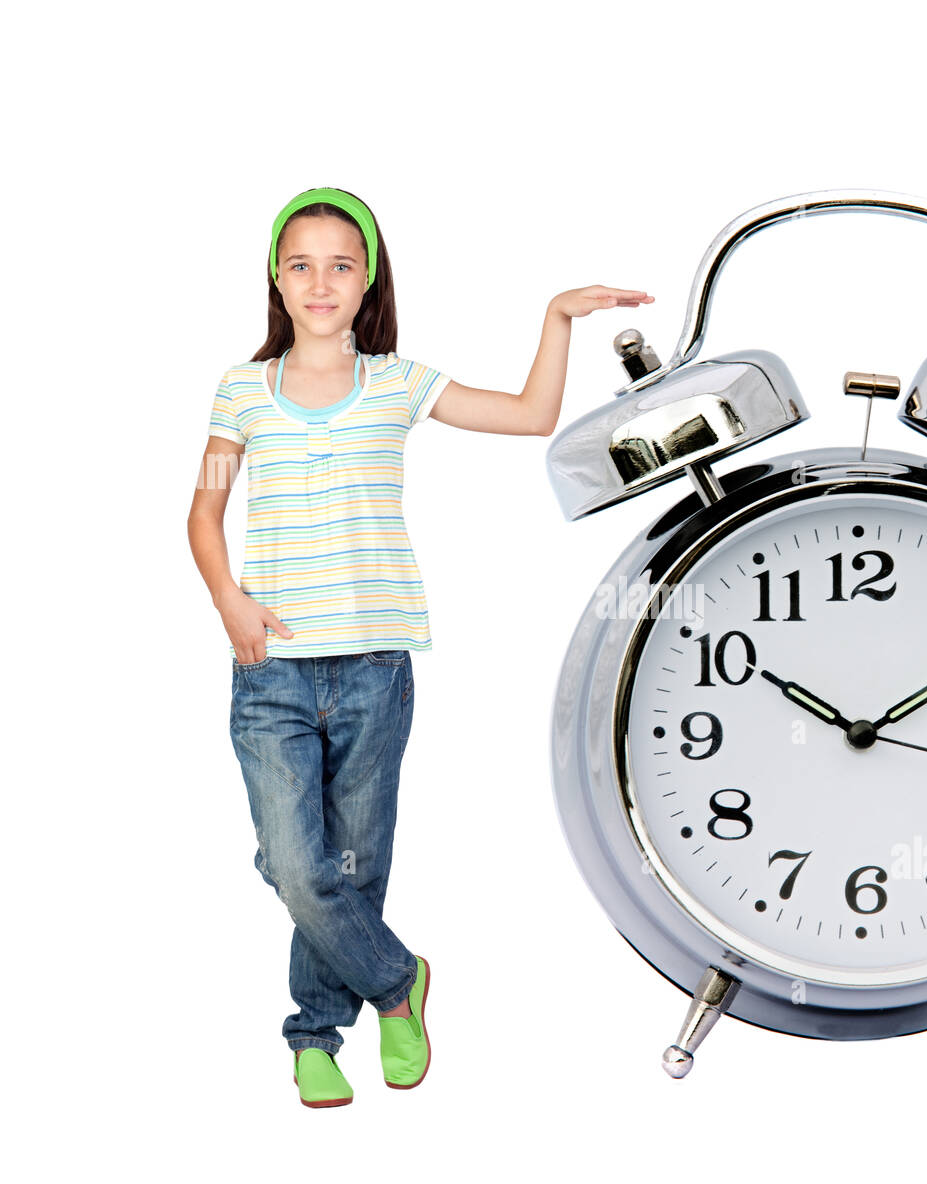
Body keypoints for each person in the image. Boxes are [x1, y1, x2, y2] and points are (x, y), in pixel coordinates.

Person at [187, 186, 651, 1108]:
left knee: (352, 865)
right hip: (269, 667)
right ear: (277, 282)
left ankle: (314, 1038)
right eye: (301, 265)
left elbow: (529, 415)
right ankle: (399, 983)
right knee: (290, 859)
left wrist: (554, 318)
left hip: (374, 665)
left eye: (341, 265)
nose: (321, 282)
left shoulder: (400, 383)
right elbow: (204, 511)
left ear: (367, 283)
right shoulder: (241, 391)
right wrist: (228, 600)